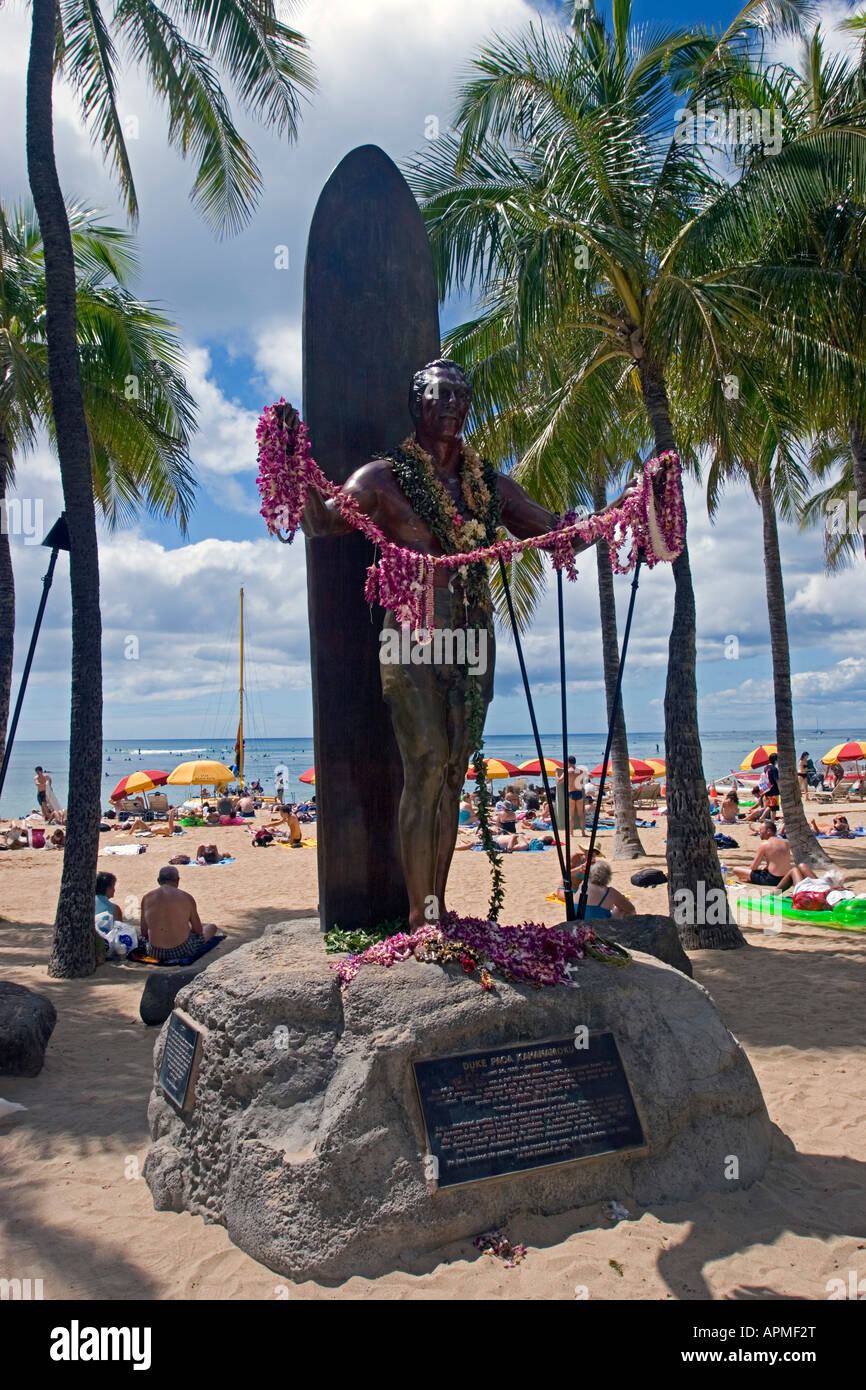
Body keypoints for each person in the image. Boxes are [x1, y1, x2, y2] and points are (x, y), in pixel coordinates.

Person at [299, 359, 644, 929]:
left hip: (473, 633)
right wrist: (294, 465)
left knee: (454, 770)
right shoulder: (382, 479)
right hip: (412, 632)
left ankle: (436, 906)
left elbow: (557, 537)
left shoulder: (490, 486)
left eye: (462, 395)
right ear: (417, 405)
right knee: (427, 762)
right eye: (441, 395)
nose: (453, 404)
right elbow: (321, 524)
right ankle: (420, 917)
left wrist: (619, 510)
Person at [139, 865, 218, 963]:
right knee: (211, 927)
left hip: (155, 952)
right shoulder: (186, 897)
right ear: (177, 880)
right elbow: (198, 930)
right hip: (182, 950)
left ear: (158, 880)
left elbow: (144, 932)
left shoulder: (146, 898)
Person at [732, 821, 810, 890]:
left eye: (761, 830)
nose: (759, 832)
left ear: (768, 831)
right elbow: (779, 860)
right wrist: (766, 866)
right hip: (785, 879)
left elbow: (753, 867)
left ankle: (748, 879)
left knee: (736, 870)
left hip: (771, 879)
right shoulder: (786, 843)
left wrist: (760, 869)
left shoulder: (765, 845)